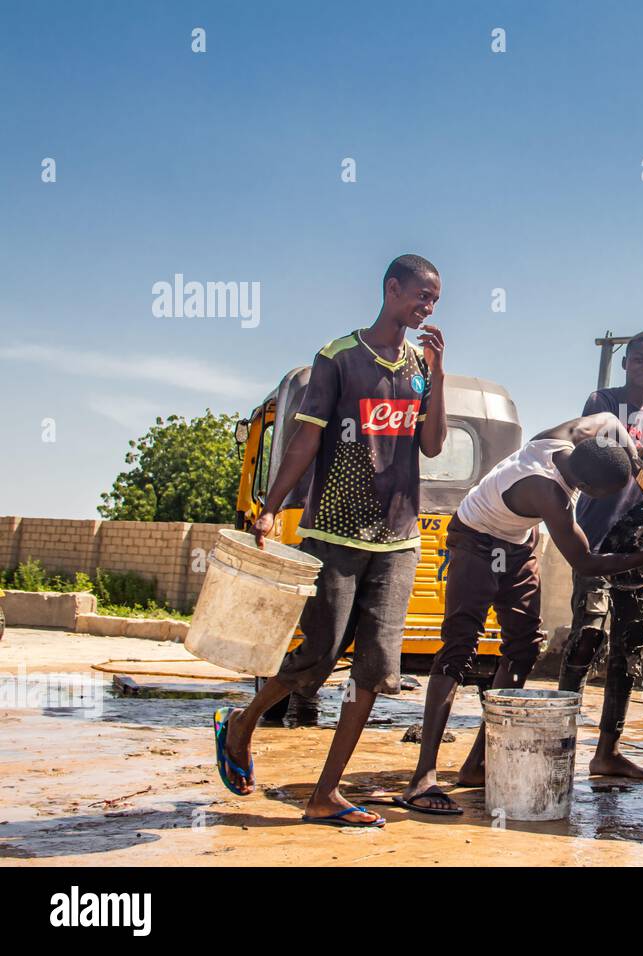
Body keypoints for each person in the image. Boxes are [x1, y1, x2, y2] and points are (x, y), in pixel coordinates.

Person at [212, 254, 447, 828]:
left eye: (435, 300)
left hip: (397, 539)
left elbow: (434, 445)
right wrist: (270, 508)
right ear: (391, 289)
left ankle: (325, 793)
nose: (427, 308)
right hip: (334, 530)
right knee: (315, 658)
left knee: (375, 670)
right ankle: (242, 724)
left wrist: (439, 375)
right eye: (421, 295)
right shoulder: (338, 357)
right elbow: (304, 440)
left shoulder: (419, 366)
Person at [396, 412, 643, 815]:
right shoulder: (548, 492)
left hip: (517, 542)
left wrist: (637, 454)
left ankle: (478, 763)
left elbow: (608, 419)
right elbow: (585, 562)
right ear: (584, 487)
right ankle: (423, 776)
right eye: (601, 495)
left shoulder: (565, 437)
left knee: (524, 647)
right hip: (475, 540)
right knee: (459, 650)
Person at [556, 331, 643, 780]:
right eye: (642, 359)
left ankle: (607, 751)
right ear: (626, 362)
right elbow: (607, 448)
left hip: (639, 545)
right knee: (587, 636)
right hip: (595, 537)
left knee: (630, 646)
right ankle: (560, 744)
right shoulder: (602, 400)